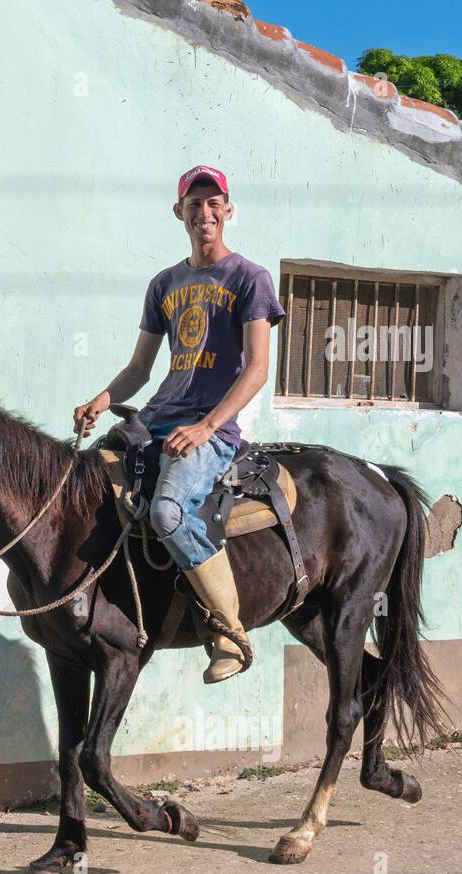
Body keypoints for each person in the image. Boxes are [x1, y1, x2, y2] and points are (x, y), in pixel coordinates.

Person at [72, 165, 285, 683]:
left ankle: (230, 634)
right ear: (180, 213)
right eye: (195, 204)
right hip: (155, 420)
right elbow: (140, 369)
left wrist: (209, 427)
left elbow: (257, 369)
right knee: (84, 486)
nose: (205, 213)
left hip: (209, 430)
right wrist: (102, 398)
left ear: (228, 211)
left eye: (215, 204)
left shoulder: (249, 278)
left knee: (167, 512)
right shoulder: (164, 284)